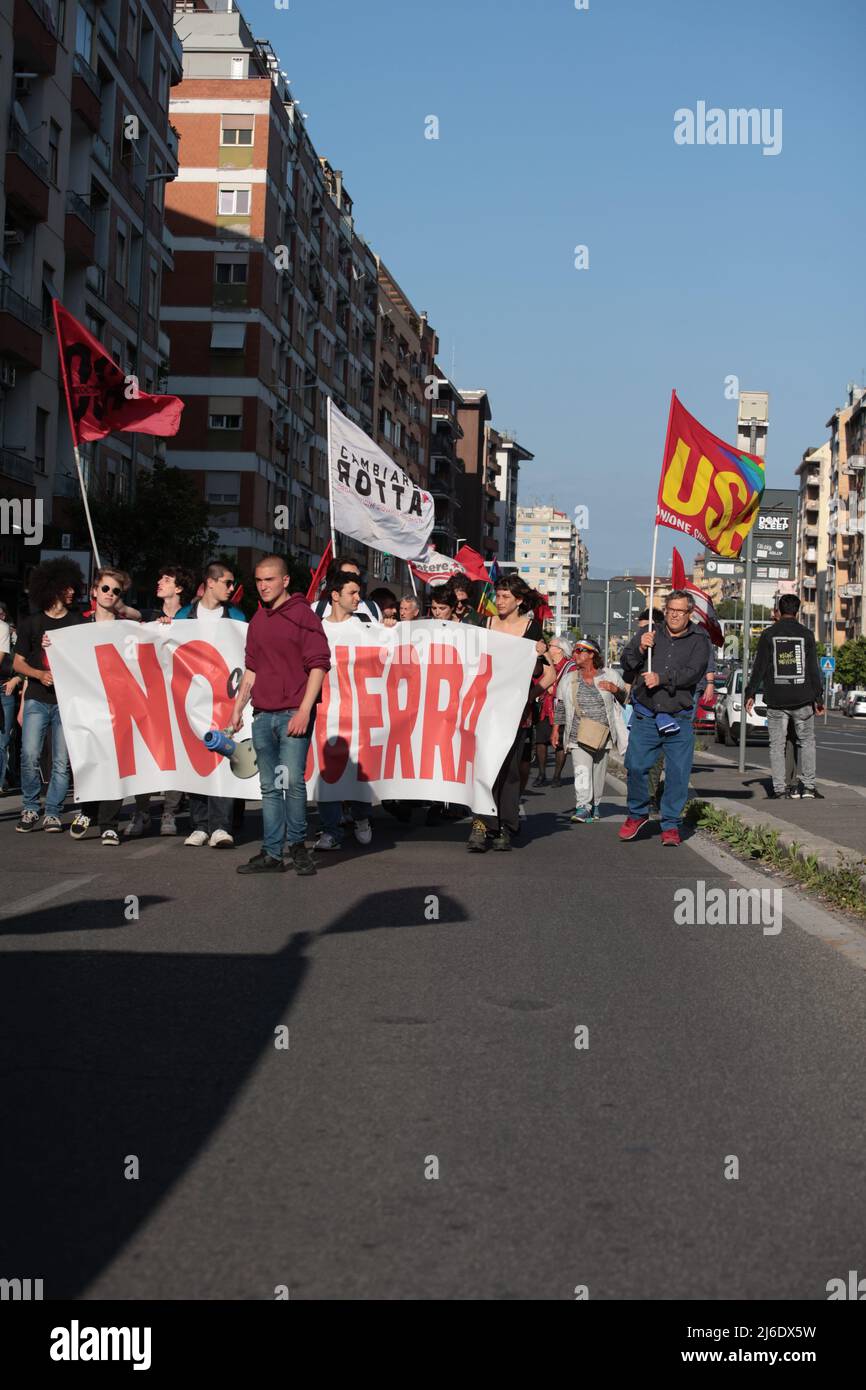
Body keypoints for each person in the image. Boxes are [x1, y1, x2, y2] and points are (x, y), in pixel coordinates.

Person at [229, 554, 330, 874]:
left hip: (292, 715)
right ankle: (272, 853)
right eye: (258, 580)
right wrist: (236, 710)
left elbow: (319, 667)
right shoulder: (258, 619)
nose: (263, 586)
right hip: (262, 715)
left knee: (293, 784)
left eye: (269, 579)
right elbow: (251, 669)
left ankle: (298, 848)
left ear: (285, 580)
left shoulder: (303, 615)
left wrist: (303, 712)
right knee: (269, 788)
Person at [467, 573, 555, 853]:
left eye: (505, 597)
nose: (499, 601)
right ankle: (482, 824)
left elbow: (550, 674)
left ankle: (506, 824)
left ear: (519, 601)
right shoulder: (484, 624)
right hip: (483, 709)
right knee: (484, 766)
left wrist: (528, 697)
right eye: (497, 595)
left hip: (516, 714)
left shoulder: (532, 629)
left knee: (510, 771)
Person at [618, 590, 709, 846]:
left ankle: (670, 824)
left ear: (689, 613)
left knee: (678, 774)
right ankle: (637, 814)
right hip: (646, 714)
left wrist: (662, 678)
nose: (674, 616)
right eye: (670, 610)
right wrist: (640, 647)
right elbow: (626, 663)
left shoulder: (699, 639)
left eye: (680, 611)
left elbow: (694, 673)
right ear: (665, 610)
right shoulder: (649, 632)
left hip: (678, 717)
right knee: (635, 767)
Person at [172, 561, 247, 848]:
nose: (232, 588)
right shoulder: (184, 616)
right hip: (192, 700)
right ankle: (200, 825)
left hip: (226, 699)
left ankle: (220, 827)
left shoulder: (237, 616)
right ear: (210, 582)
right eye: (228, 582)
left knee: (223, 761)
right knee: (198, 762)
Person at [13, 558, 85, 832]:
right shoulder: (32, 623)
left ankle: (52, 812)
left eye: (72, 587)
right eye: (66, 587)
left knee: (61, 761)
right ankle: (30, 808)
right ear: (52, 587)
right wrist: (39, 674)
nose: (71, 592)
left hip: (65, 702)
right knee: (29, 755)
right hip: (35, 698)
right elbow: (18, 663)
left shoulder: (77, 622)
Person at [69, 568, 140, 845]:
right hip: (88, 705)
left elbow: (141, 622)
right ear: (94, 592)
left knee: (115, 763)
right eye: (105, 589)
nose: (110, 594)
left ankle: (109, 823)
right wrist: (50, 644)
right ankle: (88, 810)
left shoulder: (127, 625)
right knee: (90, 760)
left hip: (119, 704)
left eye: (116, 591)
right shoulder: (78, 626)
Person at [312, 573, 374, 851]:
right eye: (353, 593)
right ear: (335, 596)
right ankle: (330, 829)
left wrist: (391, 627)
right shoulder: (316, 628)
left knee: (357, 770)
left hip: (357, 711)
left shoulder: (365, 629)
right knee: (327, 772)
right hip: (323, 711)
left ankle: (361, 817)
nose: (359, 598)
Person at [132, 564, 195, 834]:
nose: (159, 582)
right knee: (146, 754)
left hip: (179, 696)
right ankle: (142, 811)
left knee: (175, 755)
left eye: (166, 579)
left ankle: (169, 812)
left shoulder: (192, 619)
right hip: (149, 696)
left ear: (178, 588)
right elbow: (124, 616)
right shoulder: (147, 616)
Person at [745, 593, 824, 800]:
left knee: (776, 746)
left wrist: (750, 692)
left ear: (778, 611)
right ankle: (808, 787)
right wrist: (819, 697)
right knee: (807, 742)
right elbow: (813, 669)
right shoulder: (806, 635)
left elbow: (760, 666)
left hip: (776, 699)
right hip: (803, 698)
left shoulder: (769, 634)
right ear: (797, 611)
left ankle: (779, 789)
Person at [558, 637, 628, 822]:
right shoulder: (568, 679)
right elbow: (560, 706)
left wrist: (615, 690)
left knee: (598, 773)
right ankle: (582, 806)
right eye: (575, 650)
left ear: (592, 654)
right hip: (576, 734)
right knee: (581, 769)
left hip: (602, 734)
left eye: (580, 650)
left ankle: (595, 805)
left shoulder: (610, 675)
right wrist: (555, 730)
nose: (576, 654)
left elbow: (625, 699)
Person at [313, 555, 381, 622]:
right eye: (349, 576)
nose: (355, 580)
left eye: (358, 577)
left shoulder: (372, 608)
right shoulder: (316, 609)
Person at [0, 601, 21, 793]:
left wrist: (16, 679)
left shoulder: (9, 634)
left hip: (6, 688)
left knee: (5, 739)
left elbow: (21, 662)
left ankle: (5, 779)